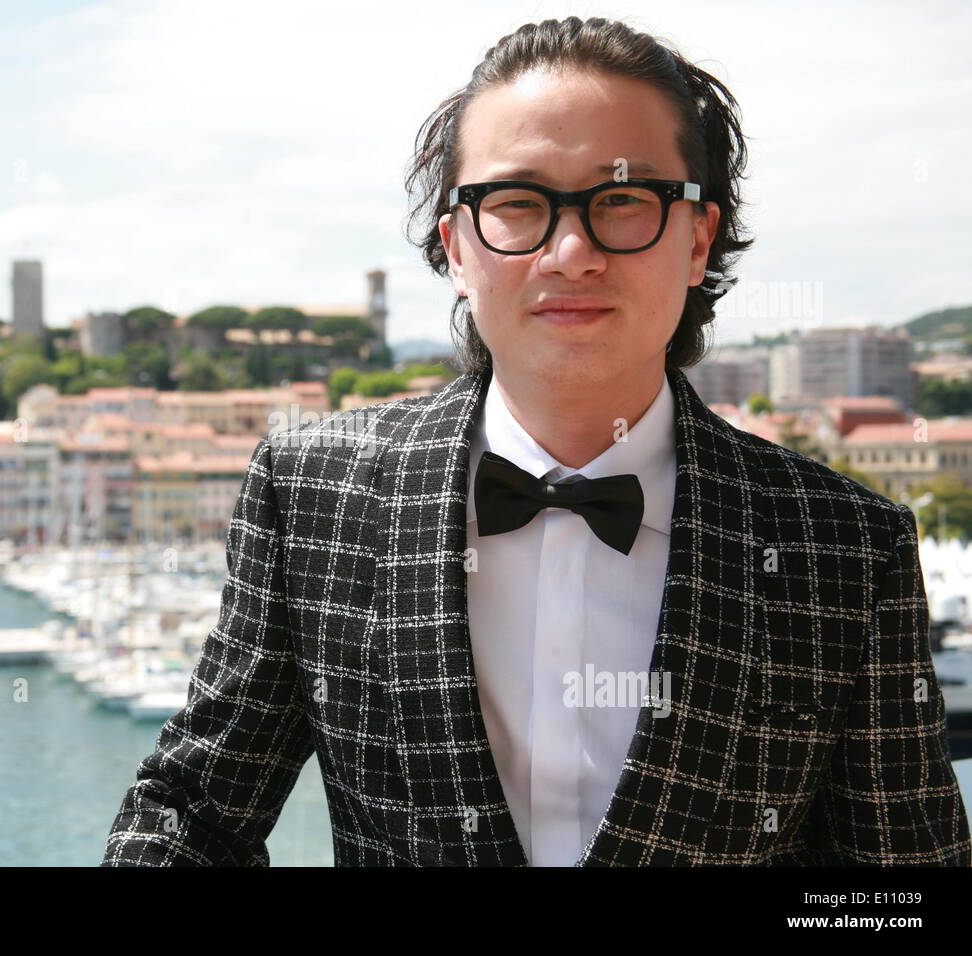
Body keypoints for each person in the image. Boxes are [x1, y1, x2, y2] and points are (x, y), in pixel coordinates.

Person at [101, 16, 971, 866]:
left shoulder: (849, 546)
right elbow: (194, 813)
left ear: (698, 237)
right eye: (516, 205)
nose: (569, 251)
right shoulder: (313, 494)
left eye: (623, 200)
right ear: (455, 245)